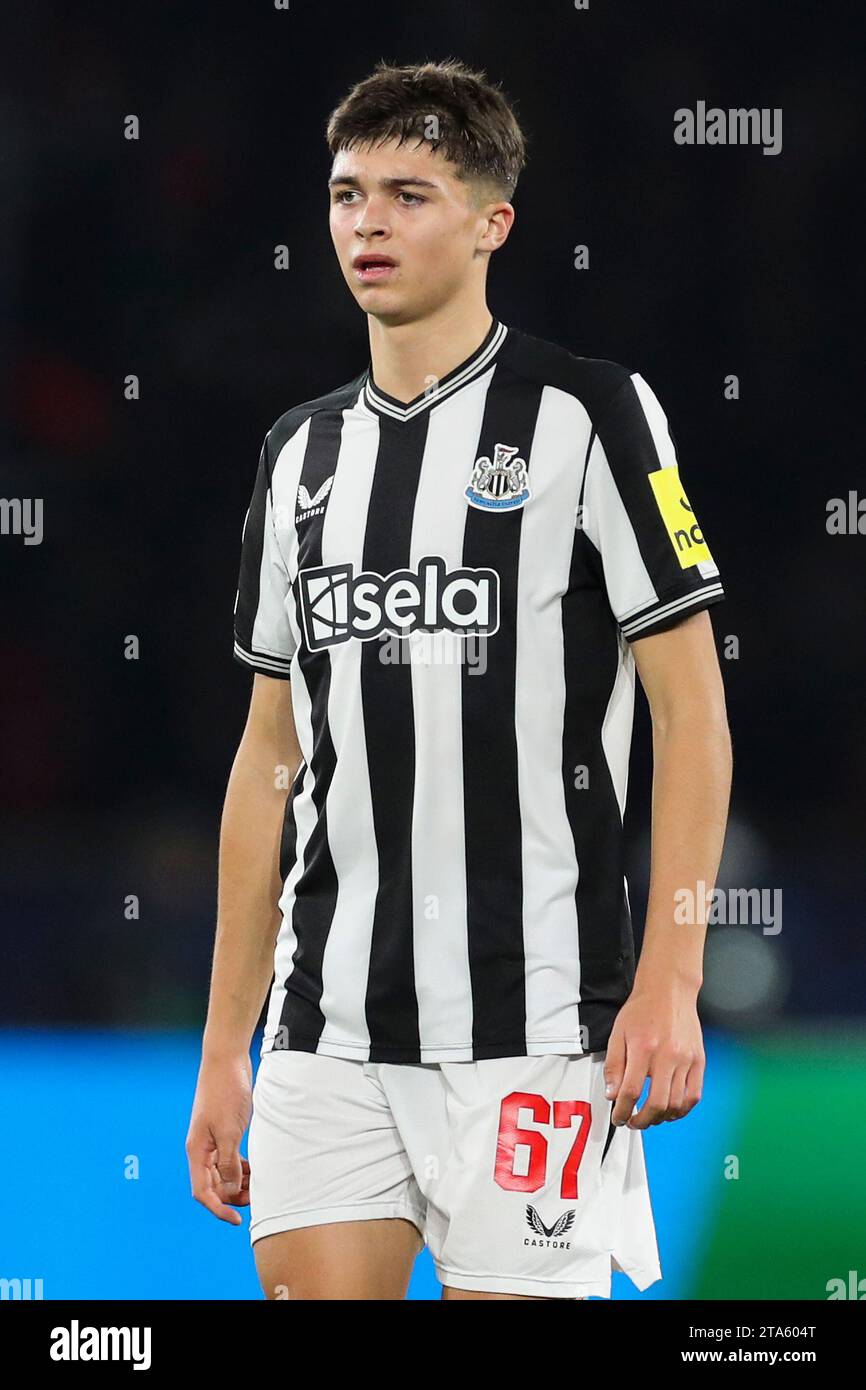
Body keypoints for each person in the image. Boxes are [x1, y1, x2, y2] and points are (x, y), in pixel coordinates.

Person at [185, 58, 733, 1301]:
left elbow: (690, 714)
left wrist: (671, 976)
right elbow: (268, 756)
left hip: (537, 1035)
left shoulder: (592, 416)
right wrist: (226, 1047)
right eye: (345, 193)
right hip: (326, 1037)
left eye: (408, 193)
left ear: (492, 223)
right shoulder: (297, 456)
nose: (367, 222)